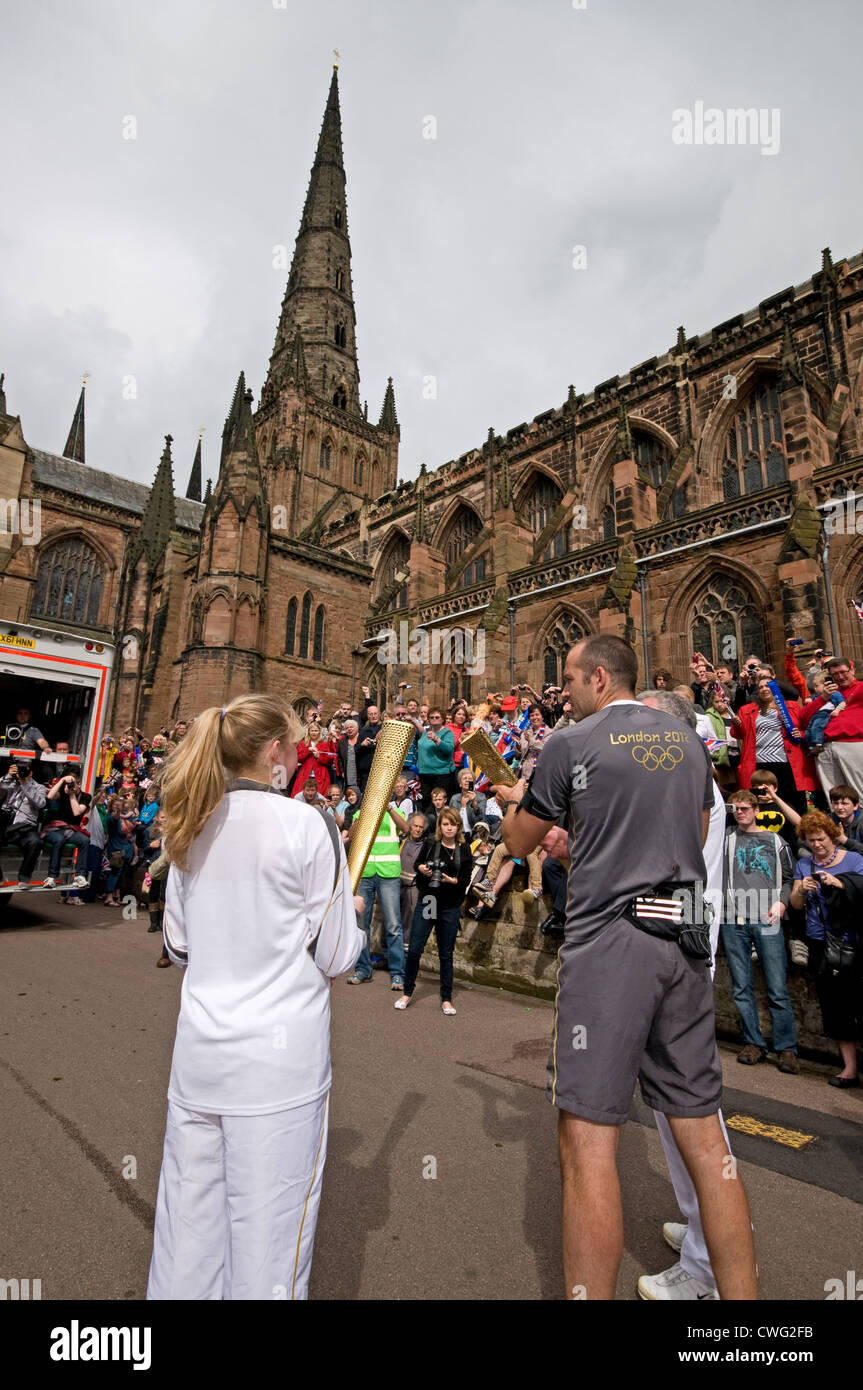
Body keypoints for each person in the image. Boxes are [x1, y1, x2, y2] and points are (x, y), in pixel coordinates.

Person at [495, 633, 757, 1301]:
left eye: (574, 680)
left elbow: (520, 840)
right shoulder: (686, 741)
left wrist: (513, 803)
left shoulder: (570, 744)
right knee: (706, 1143)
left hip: (612, 942)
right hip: (686, 934)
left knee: (586, 1148)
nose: (566, 692)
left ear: (601, 678)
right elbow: (694, 834)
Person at [148, 694, 364, 1301]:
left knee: (187, 1238)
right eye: (293, 746)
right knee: (270, 1247)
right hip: (277, 1074)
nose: (297, 756)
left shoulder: (191, 820)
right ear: (273, 752)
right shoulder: (307, 823)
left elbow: (181, 945)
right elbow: (336, 957)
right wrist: (352, 916)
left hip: (200, 1061)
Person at [637, 686, 737, 1301]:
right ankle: (705, 1226)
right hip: (673, 946)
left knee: (692, 1111)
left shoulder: (685, 781)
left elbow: (657, 868)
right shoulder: (682, 778)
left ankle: (705, 1266)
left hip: (678, 949)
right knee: (674, 1107)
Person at [720, 791, 799, 1073]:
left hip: (767, 917)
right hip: (733, 918)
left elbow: (791, 876)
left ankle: (786, 1048)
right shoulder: (726, 838)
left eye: (744, 808)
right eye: (736, 809)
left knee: (777, 986)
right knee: (741, 987)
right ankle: (753, 1042)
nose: (739, 813)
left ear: (755, 810)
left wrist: (782, 902)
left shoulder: (775, 840)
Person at [789, 810, 863, 1088]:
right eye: (811, 840)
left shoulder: (854, 860)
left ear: (831, 836)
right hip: (820, 942)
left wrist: (840, 882)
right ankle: (849, 1069)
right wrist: (802, 890)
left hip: (852, 940)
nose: (816, 845)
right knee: (836, 1006)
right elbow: (796, 904)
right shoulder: (805, 865)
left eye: (820, 839)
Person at [395, 807, 473, 1016]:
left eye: (452, 824)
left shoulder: (464, 850)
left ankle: (446, 999)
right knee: (415, 948)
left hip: (449, 905)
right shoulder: (431, 843)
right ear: (440, 826)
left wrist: (452, 880)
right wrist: (421, 869)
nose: (448, 828)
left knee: (446, 954)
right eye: (445, 824)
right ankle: (407, 992)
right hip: (429, 900)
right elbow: (419, 864)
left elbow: (466, 880)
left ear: (458, 827)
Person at [732, 677, 815, 816]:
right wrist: (737, 724)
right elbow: (738, 734)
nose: (764, 689)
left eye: (767, 686)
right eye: (760, 687)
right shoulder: (748, 709)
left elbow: (809, 729)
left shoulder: (791, 707)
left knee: (791, 802)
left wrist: (800, 733)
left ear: (776, 689)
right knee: (762, 804)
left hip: (787, 763)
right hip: (760, 764)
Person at [348, 809, 406, 991]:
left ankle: (397, 973)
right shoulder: (361, 811)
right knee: (360, 925)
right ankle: (363, 969)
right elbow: (351, 835)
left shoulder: (396, 811)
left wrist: (388, 808)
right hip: (365, 872)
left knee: (393, 925)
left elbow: (406, 829)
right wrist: (363, 814)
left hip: (388, 872)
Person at [801, 656, 863, 797]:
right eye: (835, 674)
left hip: (852, 744)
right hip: (824, 747)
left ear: (852, 670)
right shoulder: (827, 692)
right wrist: (824, 697)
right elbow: (803, 717)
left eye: (843, 672)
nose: (840, 677)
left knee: (859, 794)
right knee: (834, 797)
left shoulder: (860, 688)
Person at [0, 760, 47, 887]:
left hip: (25, 827)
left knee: (36, 842)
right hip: (6, 826)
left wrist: (24, 783)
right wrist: (8, 776)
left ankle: (24, 878)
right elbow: (1, 788)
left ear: (30, 773)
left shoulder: (39, 787)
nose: (21, 772)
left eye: (24, 770)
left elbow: (41, 803)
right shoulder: (10, 783)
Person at [41, 771, 91, 890]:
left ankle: (80, 876)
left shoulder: (85, 796)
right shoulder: (62, 793)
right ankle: (51, 876)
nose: (71, 786)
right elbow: (50, 796)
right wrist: (62, 780)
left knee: (84, 840)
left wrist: (72, 795)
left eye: (74, 784)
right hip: (55, 828)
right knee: (59, 839)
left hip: (72, 829)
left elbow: (77, 812)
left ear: (79, 784)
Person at [399, 813, 428, 947]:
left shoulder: (425, 846)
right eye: (415, 826)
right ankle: (386, 955)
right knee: (390, 921)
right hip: (396, 886)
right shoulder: (401, 841)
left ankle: (404, 955)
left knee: (408, 923)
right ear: (410, 826)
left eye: (420, 827)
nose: (417, 829)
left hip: (413, 889)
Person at [416, 710, 455, 806]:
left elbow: (449, 750)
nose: (434, 719)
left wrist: (436, 739)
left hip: (440, 775)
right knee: (426, 803)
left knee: (439, 804)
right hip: (425, 774)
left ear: (442, 719)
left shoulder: (447, 733)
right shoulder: (426, 732)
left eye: (437, 717)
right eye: (431, 717)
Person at [292, 722, 337, 799]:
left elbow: (329, 760)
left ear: (319, 732)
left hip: (320, 775)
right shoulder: (303, 744)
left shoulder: (324, 744)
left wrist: (319, 756)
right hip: (305, 774)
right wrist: (308, 751)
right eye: (312, 731)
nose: (314, 733)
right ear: (308, 732)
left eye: (316, 731)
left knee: (320, 797)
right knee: (302, 796)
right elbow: (298, 758)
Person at [449, 767, 487, 836]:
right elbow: (450, 819)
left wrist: (474, 802)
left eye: (470, 779)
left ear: (473, 783)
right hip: (457, 835)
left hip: (474, 835)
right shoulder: (454, 798)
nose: (467, 781)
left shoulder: (481, 797)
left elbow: (482, 819)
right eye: (464, 779)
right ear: (460, 783)